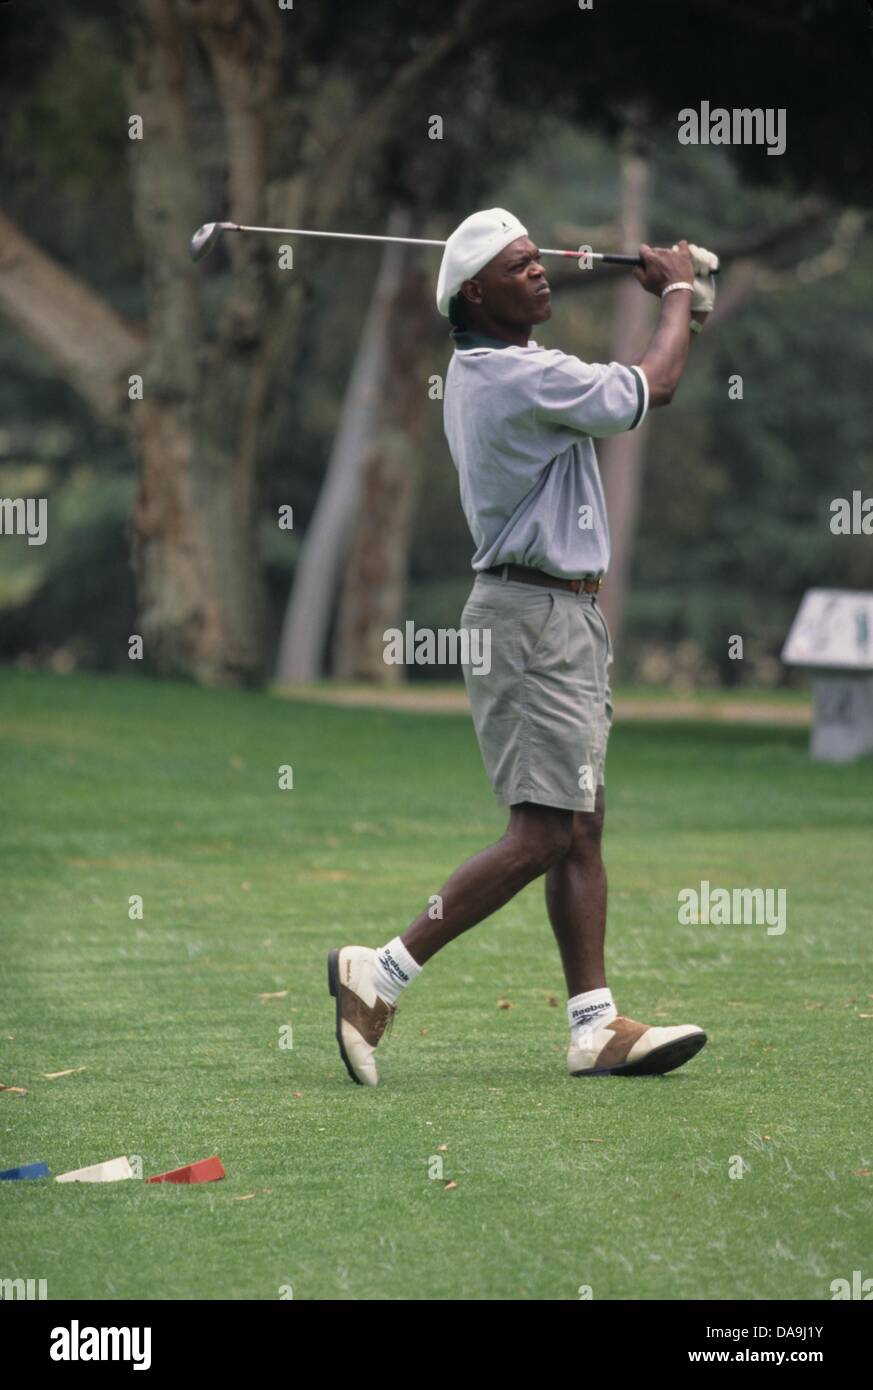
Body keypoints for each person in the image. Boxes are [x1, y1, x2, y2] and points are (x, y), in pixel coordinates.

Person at [329, 207, 718, 1086]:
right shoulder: (512, 377)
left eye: (537, 259)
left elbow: (653, 373)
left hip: (558, 616)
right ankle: (379, 972)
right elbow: (648, 388)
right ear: (475, 293)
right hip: (532, 617)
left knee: (579, 823)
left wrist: (678, 312)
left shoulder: (503, 370)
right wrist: (678, 292)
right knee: (543, 830)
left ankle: (594, 1027)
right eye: (517, 266)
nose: (539, 272)